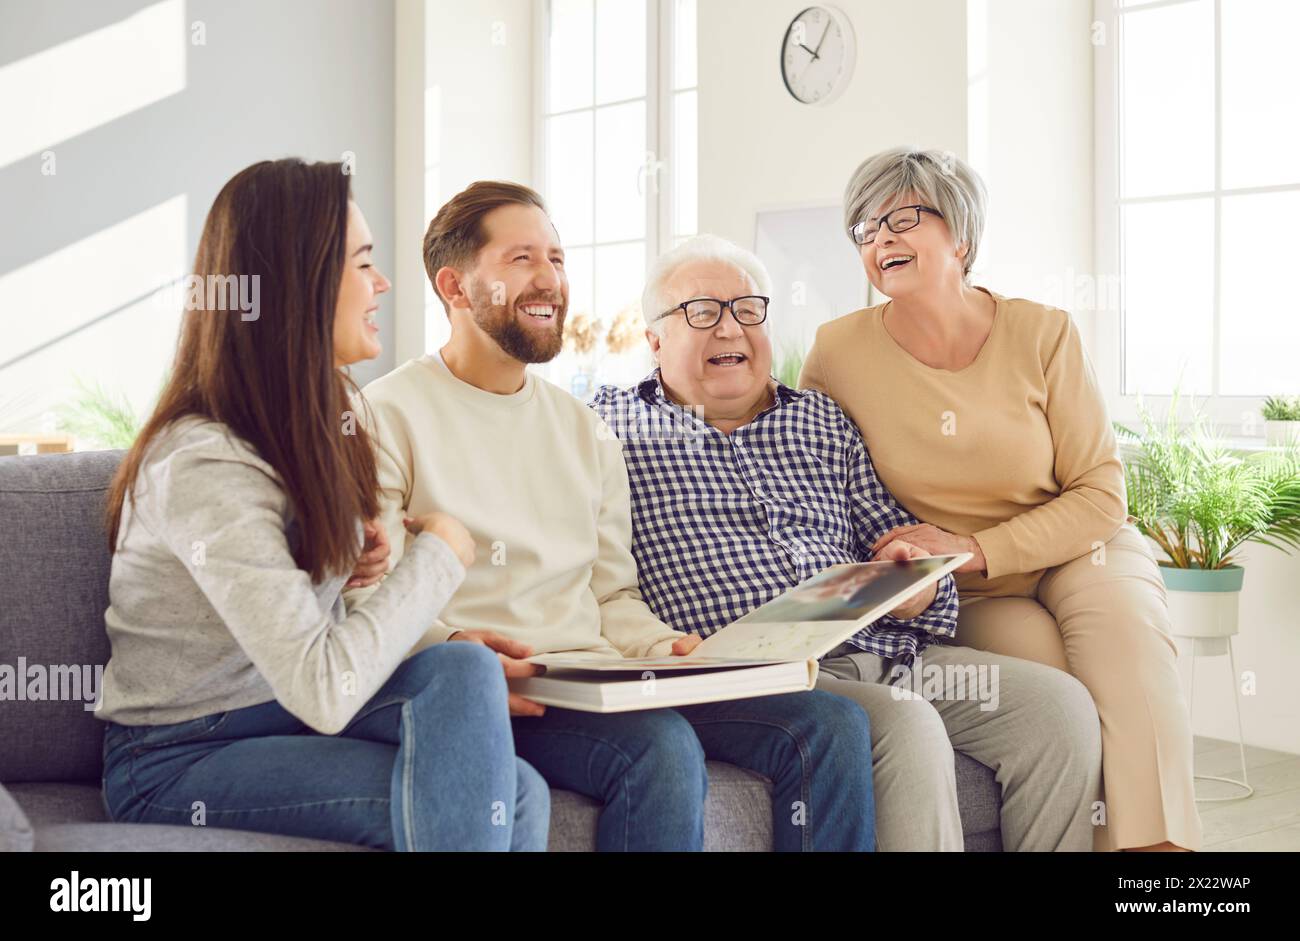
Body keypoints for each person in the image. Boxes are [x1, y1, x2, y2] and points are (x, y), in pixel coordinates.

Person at [345, 181, 875, 852]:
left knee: (829, 723)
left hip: (596, 679)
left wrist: (666, 647)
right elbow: (372, 599)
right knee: (659, 748)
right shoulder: (383, 415)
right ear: (454, 287)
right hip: (485, 684)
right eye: (522, 259)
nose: (550, 279)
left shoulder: (583, 427)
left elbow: (611, 595)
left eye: (557, 259)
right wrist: (457, 653)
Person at [593, 234, 1103, 851]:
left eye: (748, 309)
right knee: (904, 724)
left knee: (1058, 709)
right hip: (762, 679)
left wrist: (919, 585)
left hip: (887, 652)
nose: (730, 329)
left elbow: (895, 541)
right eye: (702, 312)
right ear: (654, 340)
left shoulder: (821, 419)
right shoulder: (608, 428)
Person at [97, 158, 548, 851]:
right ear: (296, 284)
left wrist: (339, 564)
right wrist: (440, 553)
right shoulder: (201, 460)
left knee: (468, 676)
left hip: (279, 710)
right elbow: (326, 688)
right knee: (504, 800)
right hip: (179, 752)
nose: (383, 283)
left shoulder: (328, 416)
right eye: (363, 263)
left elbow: (304, 629)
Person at [800, 146, 1200, 851]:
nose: (881, 237)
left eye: (902, 218)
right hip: (967, 590)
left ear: (960, 234)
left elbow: (1101, 489)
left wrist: (979, 545)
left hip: (1083, 549)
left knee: (1133, 670)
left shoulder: (1044, 331)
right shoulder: (837, 352)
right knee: (1061, 694)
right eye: (865, 227)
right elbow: (815, 478)